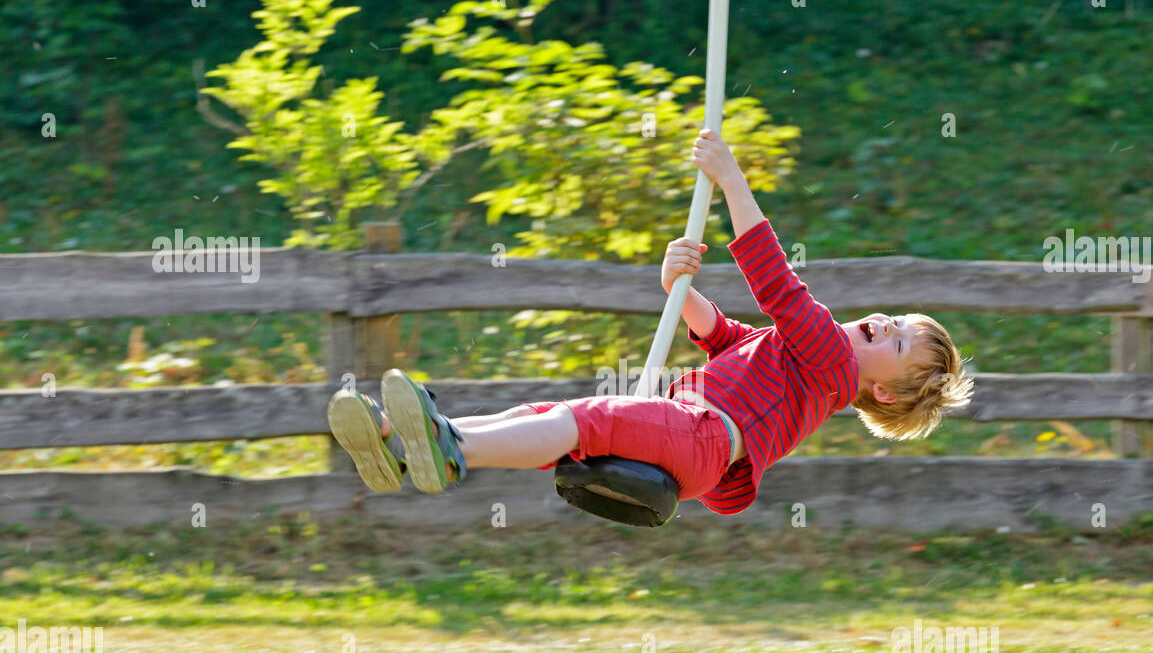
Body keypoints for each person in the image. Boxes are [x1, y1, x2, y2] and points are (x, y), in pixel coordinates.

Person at [328, 128, 973, 515]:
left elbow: (777, 283)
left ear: (881, 390)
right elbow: (723, 336)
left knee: (577, 422)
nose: (884, 323)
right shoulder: (794, 366)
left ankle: (451, 452)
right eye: (895, 320)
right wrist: (679, 287)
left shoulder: (829, 363)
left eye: (896, 341)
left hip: (697, 438)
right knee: (544, 416)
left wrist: (731, 182)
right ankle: (407, 443)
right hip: (691, 440)